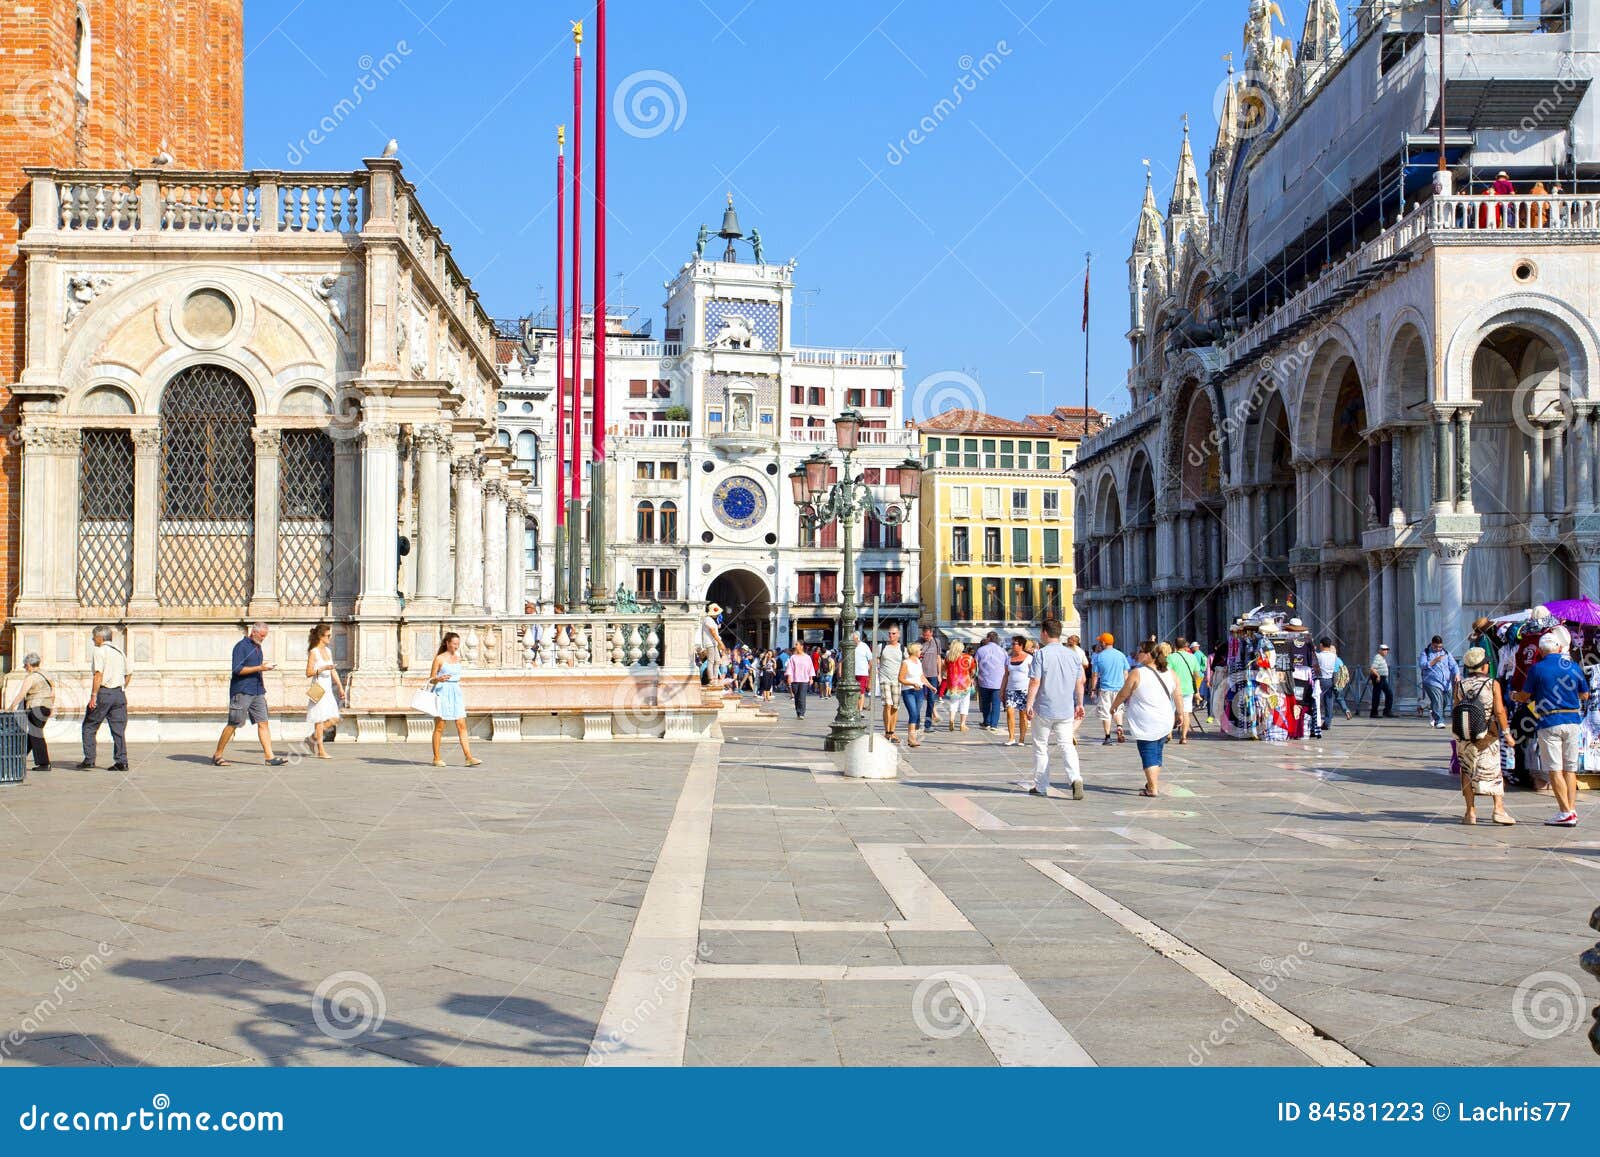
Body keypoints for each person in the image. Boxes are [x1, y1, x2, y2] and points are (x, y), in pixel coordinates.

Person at [1515, 632, 1590, 827]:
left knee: (1555, 769)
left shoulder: (1537, 668)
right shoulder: (1573, 666)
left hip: (1549, 721)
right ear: (1559, 648)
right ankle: (1571, 809)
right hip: (1572, 720)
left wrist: (1515, 696)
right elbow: (1585, 695)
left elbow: (1525, 696)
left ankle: (1565, 812)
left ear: (1540, 651)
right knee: (1570, 769)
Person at [1021, 618, 1086, 798]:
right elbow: (1080, 682)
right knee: (1067, 745)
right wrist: (1080, 703)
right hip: (1066, 709)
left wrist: (1029, 704)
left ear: (1044, 632)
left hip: (1044, 708)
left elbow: (1035, 682)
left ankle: (1041, 786)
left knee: (1041, 746)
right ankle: (1075, 778)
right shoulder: (1073, 655)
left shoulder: (1041, 655)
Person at [1455, 646, 1516, 827]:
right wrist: (1507, 734)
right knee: (1494, 772)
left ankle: (1470, 812)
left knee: (1467, 771)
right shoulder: (1491, 684)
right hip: (1488, 735)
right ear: (1483, 666)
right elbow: (1499, 711)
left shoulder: (1460, 685)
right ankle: (1498, 809)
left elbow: (1456, 710)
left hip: (1466, 736)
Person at [212, 622, 288, 767]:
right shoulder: (241, 646)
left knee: (263, 722)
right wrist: (260, 667)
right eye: (262, 635)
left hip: (258, 691)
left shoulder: (257, 647)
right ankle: (218, 755)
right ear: (254, 632)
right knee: (233, 724)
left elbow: (254, 666)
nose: (263, 639)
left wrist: (264, 666)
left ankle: (269, 757)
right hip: (242, 691)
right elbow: (237, 669)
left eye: (265, 636)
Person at [1113, 640, 1182, 797]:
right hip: (1165, 719)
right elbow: (1178, 694)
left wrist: (1114, 706)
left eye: (1140, 651)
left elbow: (1124, 693)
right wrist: (1179, 713)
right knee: (1157, 751)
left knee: (1148, 752)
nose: (1137, 654)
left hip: (1146, 721)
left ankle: (1152, 788)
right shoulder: (1170, 673)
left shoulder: (1137, 673)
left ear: (1149, 655)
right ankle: (1152, 782)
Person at [80, 624, 131, 772]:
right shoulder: (120, 652)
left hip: (104, 693)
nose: (92, 639)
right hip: (119, 694)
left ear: (100, 638)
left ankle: (89, 759)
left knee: (89, 726)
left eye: (94, 637)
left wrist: (93, 696)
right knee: (118, 730)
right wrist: (122, 687)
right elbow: (129, 673)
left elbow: (98, 674)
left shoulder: (99, 651)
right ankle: (121, 761)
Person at [427, 632, 482, 768]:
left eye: (458, 644)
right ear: (447, 643)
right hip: (442, 691)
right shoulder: (439, 659)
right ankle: (436, 758)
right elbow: (431, 679)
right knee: (440, 726)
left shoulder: (458, 657)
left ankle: (468, 757)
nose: (456, 646)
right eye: (454, 643)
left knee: (461, 725)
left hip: (456, 692)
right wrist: (438, 679)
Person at [8, 652, 54, 772]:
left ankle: (44, 763)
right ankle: (19, 756)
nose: (25, 668)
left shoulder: (31, 677)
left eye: (25, 666)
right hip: (46, 708)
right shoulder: (47, 674)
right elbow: (52, 693)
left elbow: (22, 694)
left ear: (29, 664)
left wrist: (11, 706)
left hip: (35, 707)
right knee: (33, 734)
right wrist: (51, 707)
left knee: (36, 735)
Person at [304, 623, 344, 760]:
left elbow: (333, 670)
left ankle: (311, 739)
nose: (330, 638)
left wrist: (340, 686)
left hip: (327, 688)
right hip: (318, 688)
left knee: (335, 718)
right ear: (320, 636)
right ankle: (321, 750)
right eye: (328, 635)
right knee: (319, 719)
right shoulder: (314, 652)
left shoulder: (328, 651)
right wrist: (322, 668)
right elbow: (308, 672)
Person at [1090, 632, 1130, 745]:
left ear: (1103, 643)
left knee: (1106, 712)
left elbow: (1095, 675)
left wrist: (1093, 689)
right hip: (1119, 688)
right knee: (1118, 710)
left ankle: (1107, 737)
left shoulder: (1099, 657)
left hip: (1105, 689)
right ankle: (1119, 726)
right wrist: (1126, 687)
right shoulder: (1121, 655)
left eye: (1100, 642)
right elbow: (1125, 673)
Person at [1419, 635, 1459, 728]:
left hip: (1446, 683)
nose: (1438, 649)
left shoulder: (1446, 653)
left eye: (1440, 647)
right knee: (1437, 700)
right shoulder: (1425, 653)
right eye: (1435, 647)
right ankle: (1439, 721)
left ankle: (1433, 713)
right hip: (1431, 681)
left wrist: (1457, 674)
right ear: (1432, 644)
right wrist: (1434, 661)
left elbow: (1454, 665)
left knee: (1445, 700)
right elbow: (1422, 665)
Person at [1168, 636, 1201, 743]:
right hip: (1188, 689)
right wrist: (1196, 687)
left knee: (1171, 711)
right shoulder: (1192, 657)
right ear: (1186, 645)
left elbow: (1167, 672)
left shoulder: (1171, 657)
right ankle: (1184, 737)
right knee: (1186, 712)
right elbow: (1197, 674)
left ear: (1175, 645)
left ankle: (1169, 734)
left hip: (1174, 689)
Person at [877, 627, 906, 742]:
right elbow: (875, 662)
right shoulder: (882, 647)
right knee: (887, 705)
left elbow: (906, 664)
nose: (891, 636)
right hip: (884, 679)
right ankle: (887, 732)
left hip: (897, 680)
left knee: (895, 706)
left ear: (898, 634)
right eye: (889, 633)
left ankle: (892, 732)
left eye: (893, 633)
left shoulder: (903, 649)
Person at [974, 631, 1006, 732]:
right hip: (998, 681)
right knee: (996, 704)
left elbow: (975, 664)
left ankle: (986, 722)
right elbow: (1006, 665)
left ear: (988, 638)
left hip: (984, 680)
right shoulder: (1003, 651)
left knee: (986, 703)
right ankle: (994, 724)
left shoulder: (981, 650)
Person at [1003, 635, 1032, 747]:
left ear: (1021, 645)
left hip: (1024, 689)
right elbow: (1006, 675)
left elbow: (1033, 675)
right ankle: (1011, 738)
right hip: (1011, 689)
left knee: (1023, 714)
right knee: (1009, 712)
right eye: (1012, 643)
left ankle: (1022, 738)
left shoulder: (1029, 658)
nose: (1012, 645)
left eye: (1014, 644)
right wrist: (1002, 690)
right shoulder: (1008, 659)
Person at [899, 642, 929, 748]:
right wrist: (912, 684)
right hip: (908, 691)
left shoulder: (918, 662)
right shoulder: (905, 663)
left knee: (916, 715)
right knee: (913, 713)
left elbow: (921, 676)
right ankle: (911, 738)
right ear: (915, 651)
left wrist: (930, 686)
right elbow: (901, 678)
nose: (921, 652)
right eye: (920, 650)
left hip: (919, 690)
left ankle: (913, 737)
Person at [943, 641, 974, 731]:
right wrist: (971, 677)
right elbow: (972, 670)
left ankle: (951, 719)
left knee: (953, 703)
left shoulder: (949, 658)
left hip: (953, 684)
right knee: (965, 703)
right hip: (965, 683)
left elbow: (944, 668)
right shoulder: (968, 657)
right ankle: (962, 724)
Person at [918, 625, 943, 733]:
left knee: (931, 700)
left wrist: (939, 674)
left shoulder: (937, 642)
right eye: (924, 635)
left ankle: (927, 725)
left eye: (928, 635)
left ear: (931, 633)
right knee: (919, 700)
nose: (926, 637)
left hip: (933, 675)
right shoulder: (918, 642)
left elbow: (938, 658)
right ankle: (916, 722)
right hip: (920, 675)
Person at [1314, 638, 1340, 731]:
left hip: (1321, 680)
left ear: (1321, 645)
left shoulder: (1319, 655)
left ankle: (1316, 721)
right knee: (1328, 701)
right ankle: (1327, 722)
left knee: (1317, 701)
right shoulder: (1334, 656)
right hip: (1330, 679)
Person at [785, 644, 816, 719]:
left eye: (797, 644)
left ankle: (802, 713)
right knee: (796, 697)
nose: (795, 646)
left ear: (801, 646)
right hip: (795, 680)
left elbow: (810, 668)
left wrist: (811, 678)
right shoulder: (793, 657)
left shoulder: (807, 657)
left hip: (804, 680)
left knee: (802, 697)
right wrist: (789, 677)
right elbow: (790, 668)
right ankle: (798, 712)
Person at [1368, 643, 1395, 718]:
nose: (1386, 651)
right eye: (1384, 650)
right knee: (1377, 695)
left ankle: (1387, 711)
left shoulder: (1381, 658)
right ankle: (1374, 713)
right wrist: (1378, 676)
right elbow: (1372, 668)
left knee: (1389, 693)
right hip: (1378, 678)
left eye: (1386, 650)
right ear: (1380, 650)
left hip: (1382, 678)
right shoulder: (1378, 657)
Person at [852, 632, 872, 699]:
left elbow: (870, 660)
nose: (852, 640)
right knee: (853, 693)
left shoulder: (864, 646)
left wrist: (870, 674)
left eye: (853, 638)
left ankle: (860, 706)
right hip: (852, 674)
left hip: (862, 673)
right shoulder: (850, 646)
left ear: (857, 638)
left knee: (861, 692)